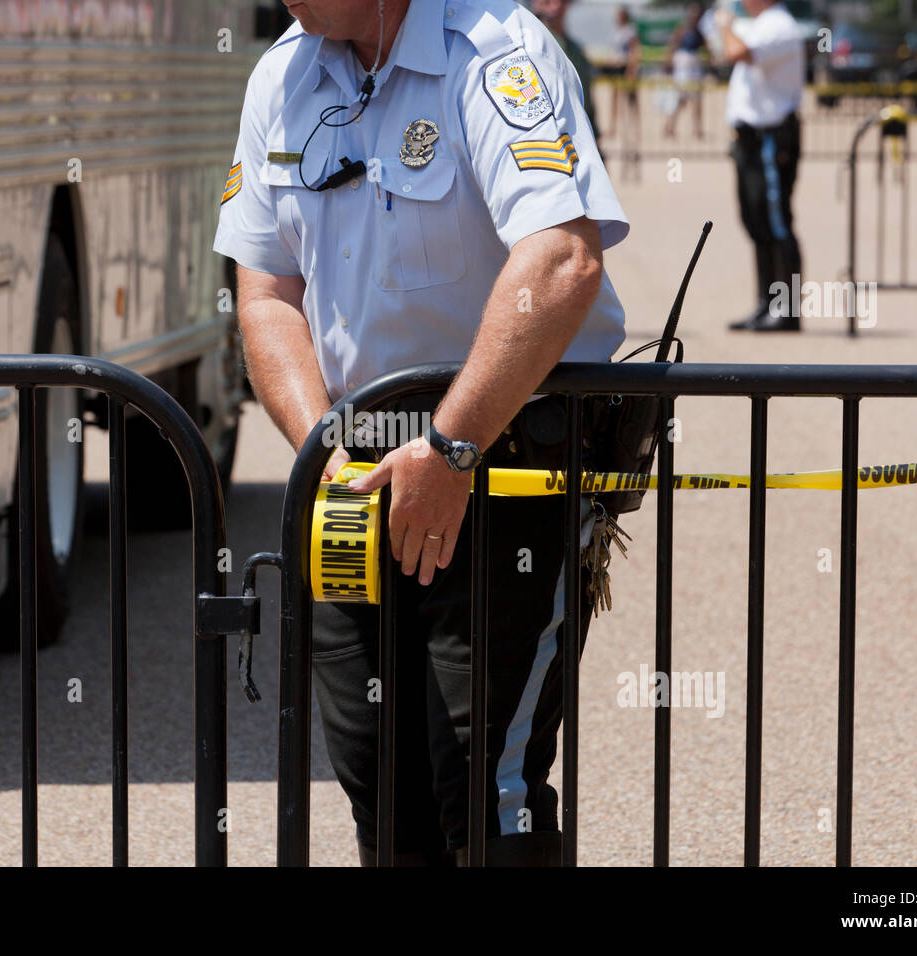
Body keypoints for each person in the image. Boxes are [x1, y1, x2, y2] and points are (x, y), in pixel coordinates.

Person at [214, 0, 630, 866]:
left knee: (485, 789)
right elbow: (265, 294)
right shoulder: (282, 74)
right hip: (356, 484)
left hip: (501, 465)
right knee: (381, 786)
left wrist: (451, 445)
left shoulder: (493, 50)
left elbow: (561, 258)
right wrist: (318, 451)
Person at [716, 0, 806, 332]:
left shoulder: (778, 25)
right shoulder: (760, 25)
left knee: (776, 221)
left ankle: (788, 310)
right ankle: (766, 303)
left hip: (771, 137)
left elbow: (736, 52)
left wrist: (725, 24)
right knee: (756, 222)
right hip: (751, 139)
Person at [532, 0, 601, 146]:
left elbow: (586, 101)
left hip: (578, 141)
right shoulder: (529, 49)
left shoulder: (575, 51)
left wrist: (594, 135)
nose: (555, 6)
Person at [663, 2, 706, 140]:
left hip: (694, 69)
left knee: (696, 101)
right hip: (682, 68)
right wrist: (668, 64)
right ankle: (669, 128)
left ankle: (697, 130)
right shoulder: (682, 30)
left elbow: (707, 48)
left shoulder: (699, 32)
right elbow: (672, 47)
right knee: (679, 100)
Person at [603, 5, 640, 142]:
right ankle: (613, 128)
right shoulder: (616, 31)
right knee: (614, 98)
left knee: (632, 100)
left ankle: (635, 128)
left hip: (626, 67)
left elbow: (634, 51)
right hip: (616, 67)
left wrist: (632, 69)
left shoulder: (630, 31)